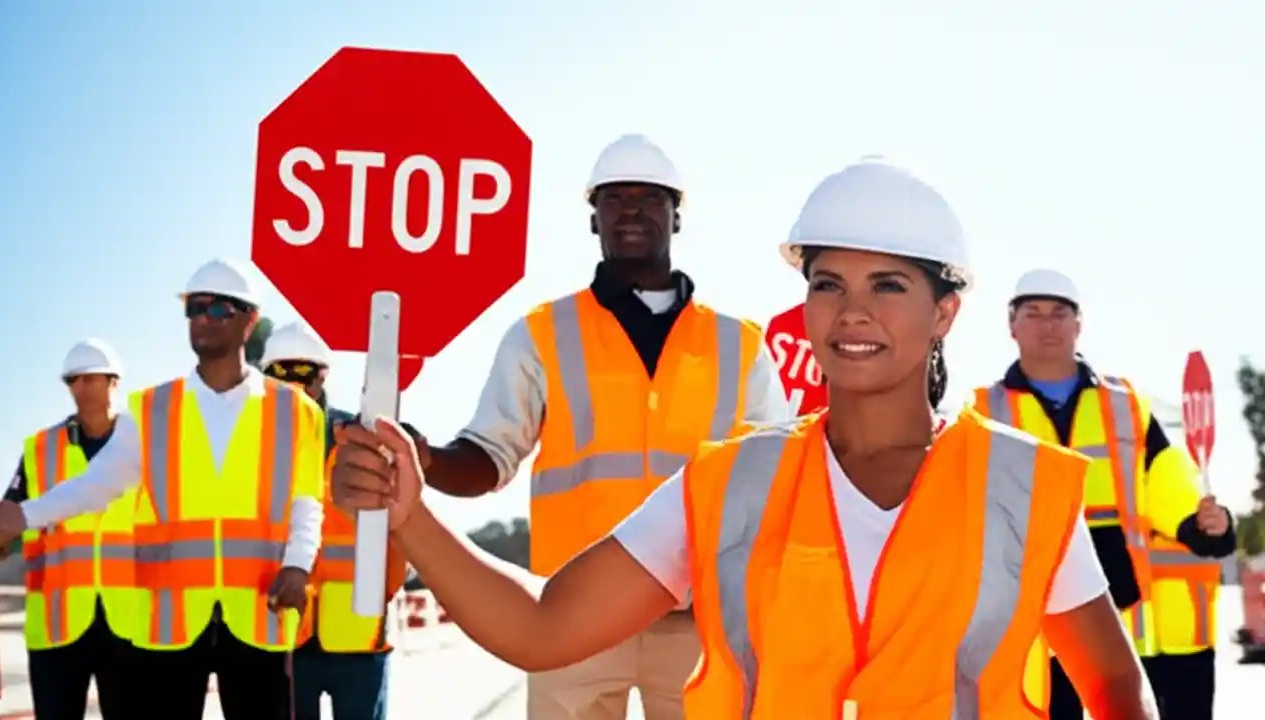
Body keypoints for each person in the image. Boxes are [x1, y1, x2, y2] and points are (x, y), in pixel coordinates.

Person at [328, 157, 1159, 718]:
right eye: (828, 284)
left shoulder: (1022, 484)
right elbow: (544, 627)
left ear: (945, 311)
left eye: (889, 285)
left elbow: (1115, 684)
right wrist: (412, 514)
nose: (852, 311)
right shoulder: (731, 484)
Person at [334, 132, 790, 720]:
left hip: (698, 622)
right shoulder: (541, 333)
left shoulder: (740, 344)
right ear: (593, 218)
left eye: (649, 198)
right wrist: (428, 460)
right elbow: (488, 454)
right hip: (570, 616)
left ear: (677, 217)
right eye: (614, 198)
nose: (631, 211)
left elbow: (774, 479)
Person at [0, 258, 326, 720]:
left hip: (258, 610)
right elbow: (97, 484)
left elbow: (307, 502)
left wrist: (299, 564)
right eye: (195, 307)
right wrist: (25, 515)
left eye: (218, 308)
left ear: (249, 321)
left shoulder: (296, 411)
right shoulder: (152, 409)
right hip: (172, 621)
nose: (202, 318)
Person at [968, 269, 1235, 720]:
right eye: (1032, 313)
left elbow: (1165, 479)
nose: (1047, 324)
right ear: (1011, 326)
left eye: (1060, 313)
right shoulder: (980, 413)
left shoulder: (1127, 404)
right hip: (1039, 623)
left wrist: (1203, 523)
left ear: (1079, 324)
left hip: (1131, 613)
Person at [260, 321, 408, 720]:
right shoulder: (254, 447)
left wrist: (383, 591)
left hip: (357, 634)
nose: (292, 384)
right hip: (285, 634)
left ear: (323, 375)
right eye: (279, 374)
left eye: (303, 372)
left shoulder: (361, 437)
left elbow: (397, 524)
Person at [0, 339, 138, 719]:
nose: (81, 388)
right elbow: (10, 521)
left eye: (91, 379)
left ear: (113, 382)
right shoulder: (40, 449)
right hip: (58, 625)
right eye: (73, 381)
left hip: (129, 621)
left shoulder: (145, 444)